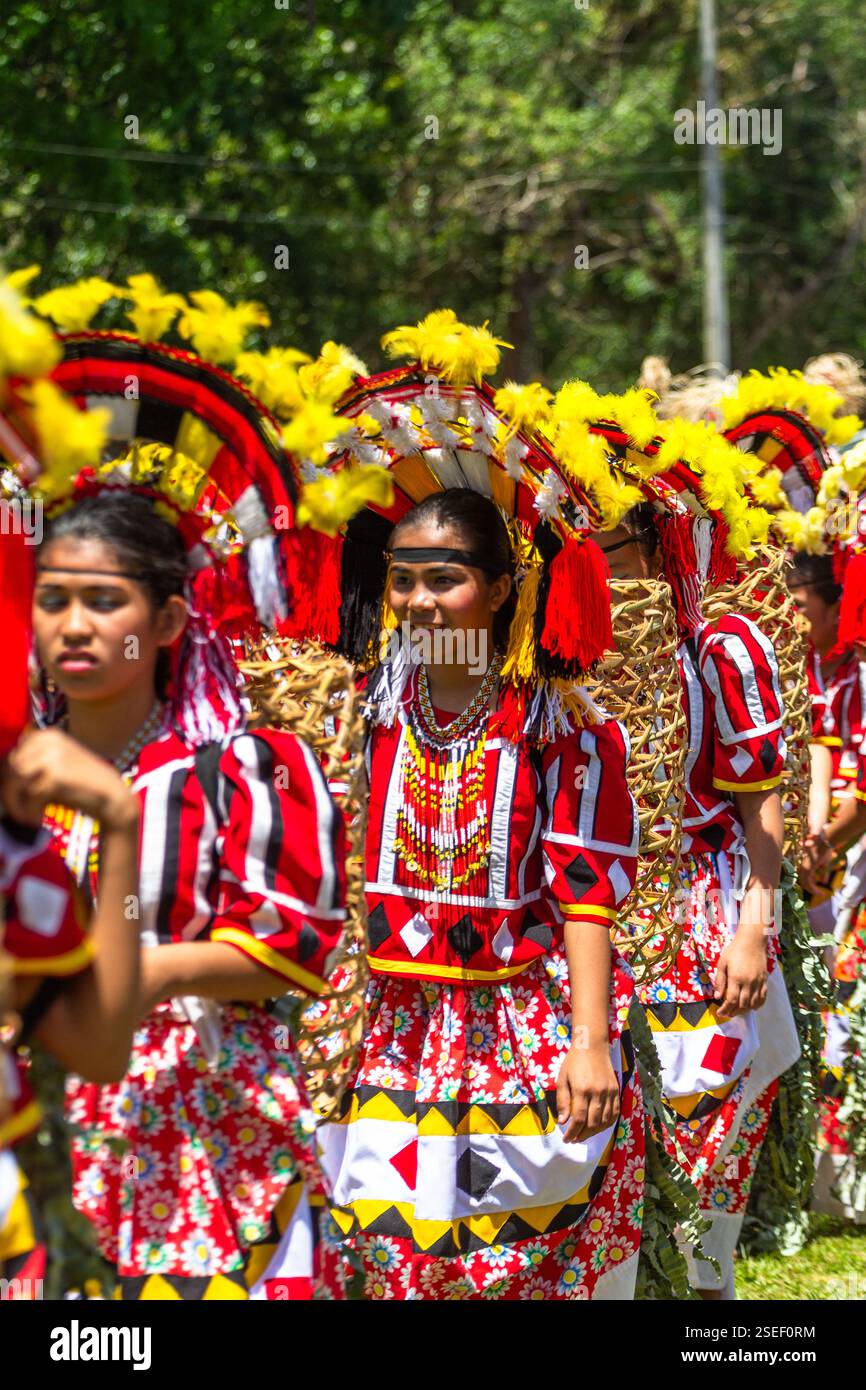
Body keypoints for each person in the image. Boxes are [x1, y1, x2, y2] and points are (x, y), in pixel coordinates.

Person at [317, 485, 645, 1301]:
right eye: (402, 580)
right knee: (390, 1249)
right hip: (386, 1030)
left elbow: (586, 890)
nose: (418, 602)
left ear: (501, 590)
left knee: (522, 1254)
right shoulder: (362, 710)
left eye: (444, 579)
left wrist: (591, 1042)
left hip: (519, 1025)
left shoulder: (557, 721)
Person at [29, 474, 350, 1302]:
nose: (73, 625)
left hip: (198, 1114)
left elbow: (292, 946)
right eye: (51, 599)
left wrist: (148, 976)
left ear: (169, 621)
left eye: (104, 601)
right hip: (34, 1107)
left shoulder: (237, 772)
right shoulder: (13, 778)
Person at [599, 502, 799, 1299]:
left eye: (603, 550)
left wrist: (755, 931)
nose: (591, 570)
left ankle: (714, 1310)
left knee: (708, 1131)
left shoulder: (721, 649)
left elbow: (762, 812)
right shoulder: (556, 654)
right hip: (593, 919)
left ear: (652, 549)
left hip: (697, 911)